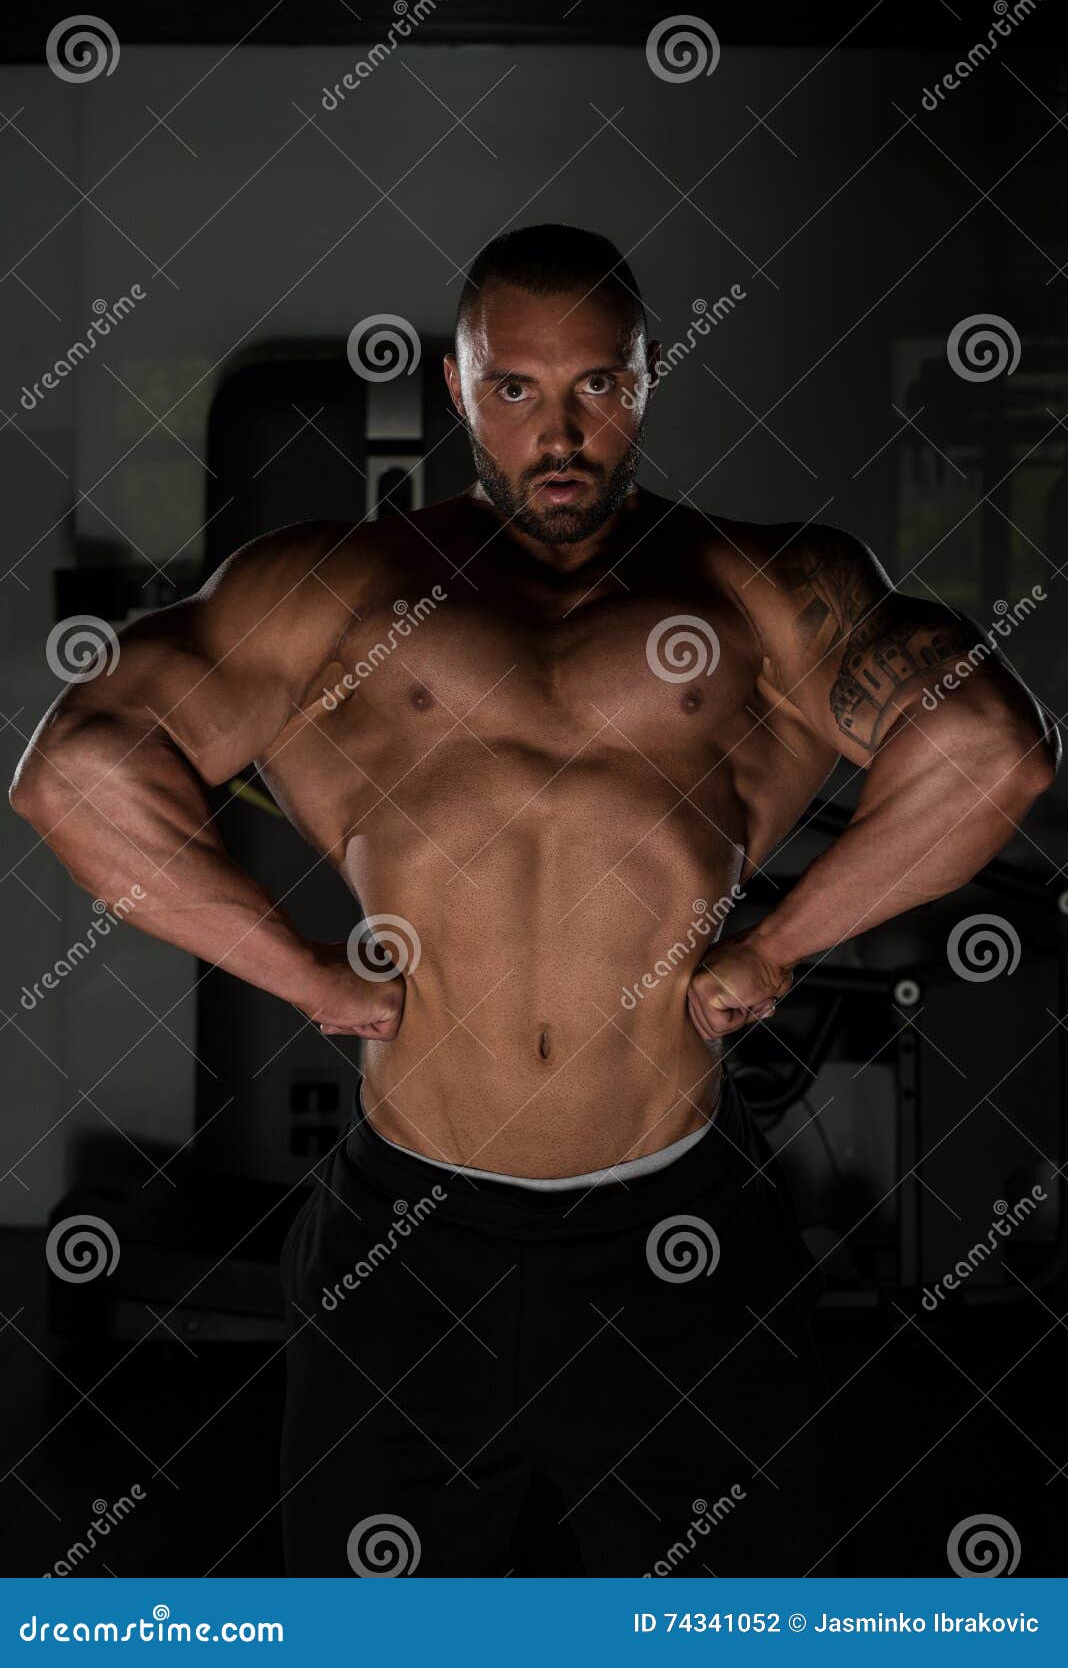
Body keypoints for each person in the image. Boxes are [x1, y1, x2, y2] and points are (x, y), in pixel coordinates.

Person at [10, 224, 1057, 1577]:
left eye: (598, 386)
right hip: (410, 1245)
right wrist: (300, 973)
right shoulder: (338, 596)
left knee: (722, 1630)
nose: (559, 431)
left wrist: (783, 940)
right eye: (514, 388)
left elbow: (996, 751)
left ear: (649, 378)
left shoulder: (758, 592)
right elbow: (75, 773)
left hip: (683, 1243)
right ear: (457, 388)